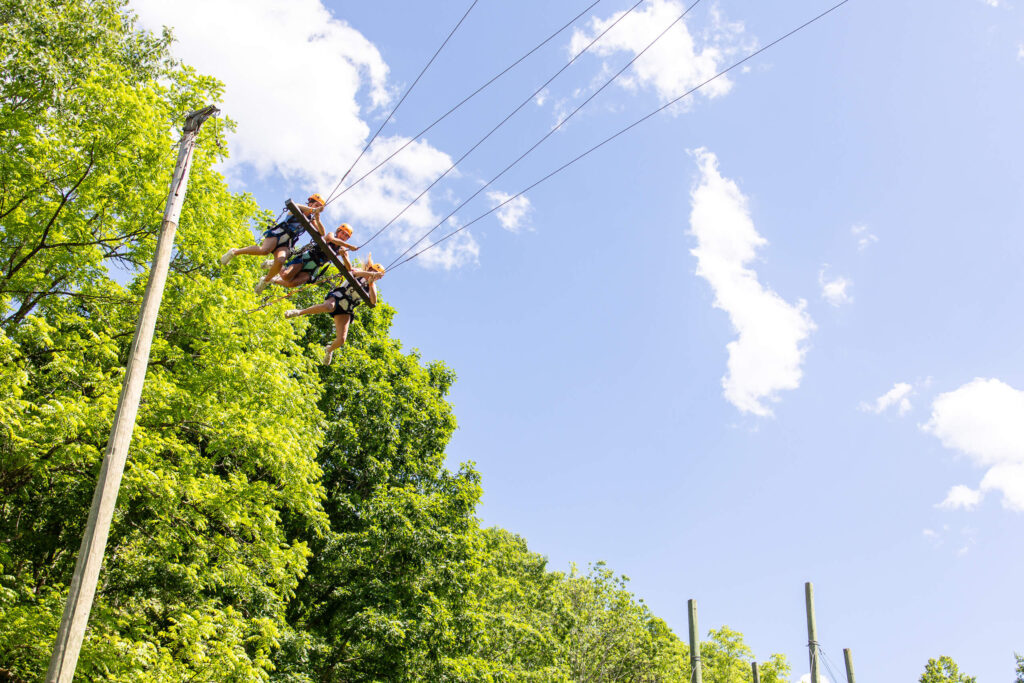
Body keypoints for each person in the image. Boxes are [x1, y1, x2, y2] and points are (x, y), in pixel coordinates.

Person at [284, 254, 385, 365]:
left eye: (377, 276)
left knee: (342, 339)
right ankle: (299, 312)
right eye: (373, 271)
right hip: (338, 297)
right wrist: (370, 274)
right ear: (370, 269)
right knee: (328, 307)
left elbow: (373, 301)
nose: (374, 276)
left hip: (346, 308)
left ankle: (329, 350)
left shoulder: (372, 286)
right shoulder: (360, 272)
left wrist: (371, 283)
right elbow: (354, 273)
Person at [220, 194, 327, 293]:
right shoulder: (298, 209)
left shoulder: (310, 220)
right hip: (278, 234)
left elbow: (322, 233)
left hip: (287, 242)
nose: (316, 208)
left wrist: (317, 218)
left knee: (281, 260)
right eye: (316, 204)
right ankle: (234, 252)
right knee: (264, 251)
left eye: (319, 207)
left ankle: (266, 280)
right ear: (310, 203)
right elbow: (295, 205)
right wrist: (313, 209)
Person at [266, 224, 358, 290]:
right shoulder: (331, 235)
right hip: (306, 259)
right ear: (338, 231)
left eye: (346, 236)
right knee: (286, 276)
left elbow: (348, 267)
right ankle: (276, 264)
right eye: (343, 233)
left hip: (314, 267)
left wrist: (344, 256)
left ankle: (273, 280)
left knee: (292, 283)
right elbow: (331, 239)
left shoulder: (342, 249)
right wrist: (349, 246)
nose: (343, 236)